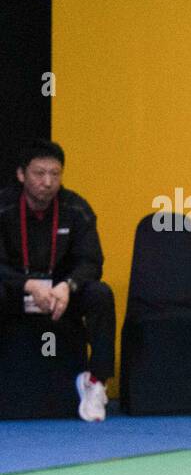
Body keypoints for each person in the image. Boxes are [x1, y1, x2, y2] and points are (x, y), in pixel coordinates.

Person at [0, 140, 113, 421]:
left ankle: (95, 383)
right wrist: (25, 284)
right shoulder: (3, 208)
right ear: (21, 174)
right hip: (16, 292)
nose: (48, 182)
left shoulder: (77, 209)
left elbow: (92, 261)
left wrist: (67, 286)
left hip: (61, 298)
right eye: (39, 173)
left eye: (55, 174)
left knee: (100, 294)